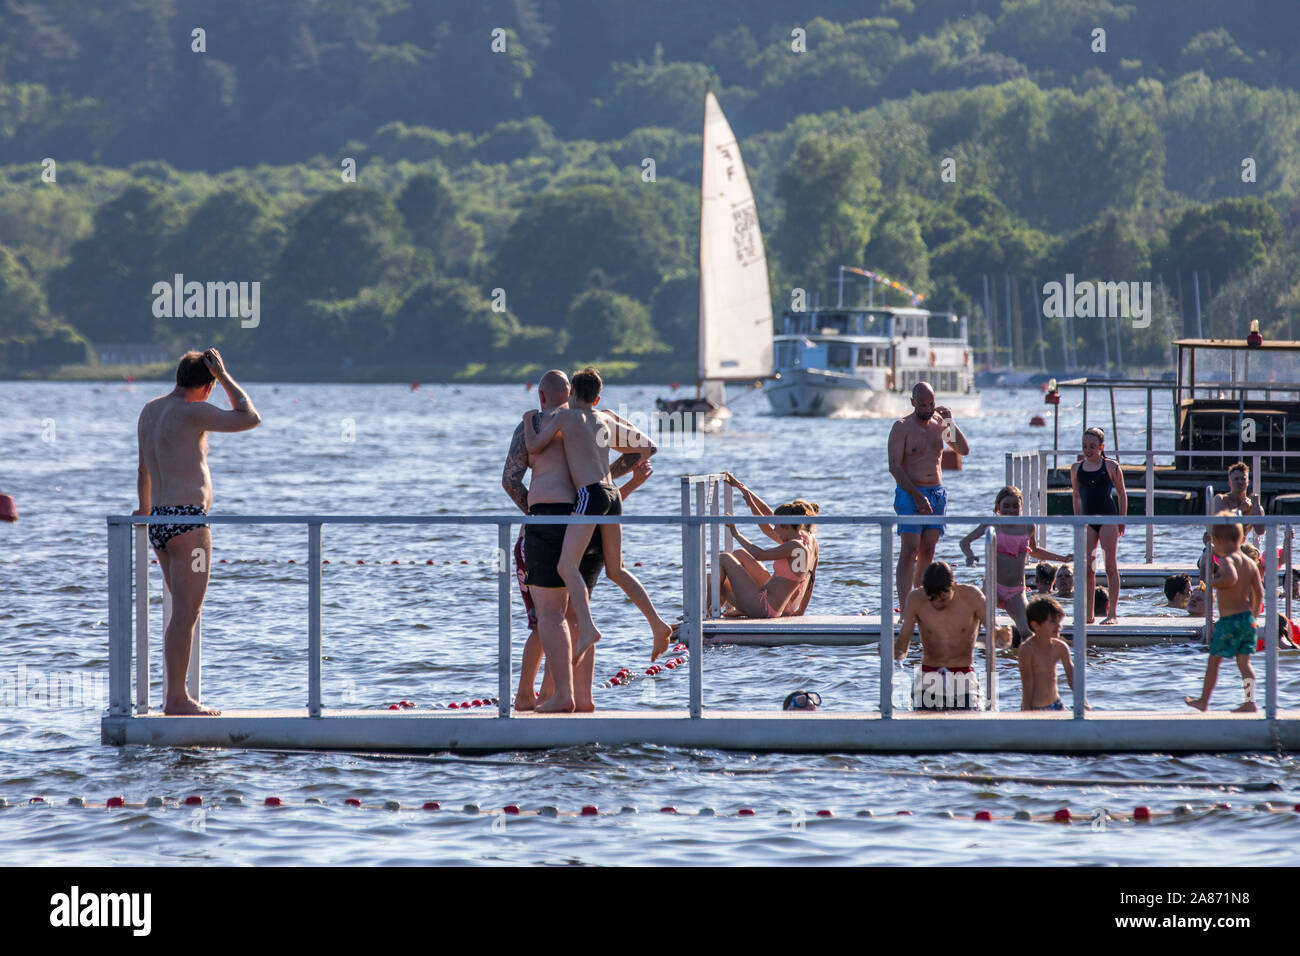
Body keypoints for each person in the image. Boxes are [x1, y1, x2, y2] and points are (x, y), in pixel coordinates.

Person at [500, 368, 650, 712]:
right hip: (589, 518)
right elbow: (644, 449)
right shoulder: (594, 420)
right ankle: (582, 699)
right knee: (577, 616)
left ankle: (554, 695)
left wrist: (534, 511)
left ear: (541, 396)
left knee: (549, 615)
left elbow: (510, 480)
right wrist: (606, 475)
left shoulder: (537, 423)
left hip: (550, 519)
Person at [524, 367, 675, 678]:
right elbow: (646, 447)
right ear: (597, 398)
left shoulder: (565, 417)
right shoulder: (605, 419)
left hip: (589, 495)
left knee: (566, 566)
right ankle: (658, 624)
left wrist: (528, 419)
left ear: (571, 394)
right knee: (616, 569)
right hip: (611, 493)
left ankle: (588, 627)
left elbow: (535, 445)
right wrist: (612, 466)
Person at [135, 348, 261, 716]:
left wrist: (144, 511)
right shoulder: (193, 411)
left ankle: (176, 695)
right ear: (206, 386)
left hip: (160, 522)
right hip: (189, 523)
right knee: (185, 614)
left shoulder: (150, 411)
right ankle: (177, 699)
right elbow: (249, 416)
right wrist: (225, 375)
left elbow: (143, 470)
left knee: (181, 614)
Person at [887, 381, 970, 610]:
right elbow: (894, 467)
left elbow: (963, 450)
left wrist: (950, 422)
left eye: (931, 404)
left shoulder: (940, 424)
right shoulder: (901, 427)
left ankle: (920, 600)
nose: (927, 409)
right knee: (910, 549)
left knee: (928, 548)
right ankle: (905, 606)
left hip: (936, 492)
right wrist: (916, 495)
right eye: (922, 405)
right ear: (913, 402)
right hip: (909, 492)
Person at [959, 486, 1072, 646]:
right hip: (993, 586)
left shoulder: (1028, 526)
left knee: (1028, 632)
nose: (1011, 510)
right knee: (976, 623)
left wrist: (1062, 558)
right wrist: (969, 555)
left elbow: (1034, 551)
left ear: (1021, 507)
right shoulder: (992, 524)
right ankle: (969, 655)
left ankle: (1028, 659)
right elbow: (964, 541)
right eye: (1006, 506)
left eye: (1015, 506)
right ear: (998, 507)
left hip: (1016, 590)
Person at [1185, 514, 1263, 712]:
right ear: (1241, 539)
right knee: (1245, 664)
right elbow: (1259, 592)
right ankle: (1250, 702)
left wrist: (1214, 582)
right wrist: (1253, 616)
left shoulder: (1228, 560)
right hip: (1247, 620)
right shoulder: (1250, 564)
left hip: (1229, 621)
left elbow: (1230, 578)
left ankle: (1203, 701)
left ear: (1218, 540)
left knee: (1214, 661)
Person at [716, 473, 820, 617]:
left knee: (725, 579)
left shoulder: (796, 542)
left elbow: (766, 528)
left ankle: (717, 609)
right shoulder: (807, 540)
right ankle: (738, 605)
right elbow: (767, 513)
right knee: (739, 554)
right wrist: (742, 489)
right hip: (782, 598)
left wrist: (737, 530)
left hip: (783, 602)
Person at [894, 561, 988, 711]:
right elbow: (902, 648)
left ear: (954, 586)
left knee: (969, 721)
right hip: (929, 674)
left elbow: (994, 630)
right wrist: (891, 651)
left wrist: (1003, 636)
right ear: (925, 591)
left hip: (962, 674)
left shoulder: (973, 597)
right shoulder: (916, 599)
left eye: (943, 599)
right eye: (932, 599)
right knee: (923, 722)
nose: (937, 604)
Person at [1070, 426, 1127, 624]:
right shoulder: (1076, 468)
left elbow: (1121, 494)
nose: (1088, 450)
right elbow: (1076, 496)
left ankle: (1113, 614)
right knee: (1088, 568)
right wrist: (1078, 521)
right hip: (1087, 521)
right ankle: (1088, 614)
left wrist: (1122, 520)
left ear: (1101, 447)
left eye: (1092, 446)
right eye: (1085, 446)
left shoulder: (1111, 466)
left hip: (1108, 519)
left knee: (1110, 565)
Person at [1018, 596, 1076, 711]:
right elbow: (1027, 682)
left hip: (1056, 705)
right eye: (1053, 622)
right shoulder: (1027, 650)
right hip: (1035, 707)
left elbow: (1072, 678)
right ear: (1035, 625)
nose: (1059, 626)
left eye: (1059, 621)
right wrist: (1026, 710)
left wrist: (1083, 702)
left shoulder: (1061, 647)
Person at [1211, 462, 1265, 537]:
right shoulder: (1221, 499)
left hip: (1241, 542)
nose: (1239, 482)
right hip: (1223, 542)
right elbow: (1219, 526)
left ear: (1248, 482)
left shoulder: (1252, 505)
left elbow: (1260, 531)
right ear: (1229, 483)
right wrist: (1241, 509)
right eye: (1236, 479)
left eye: (1243, 479)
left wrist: (1256, 505)